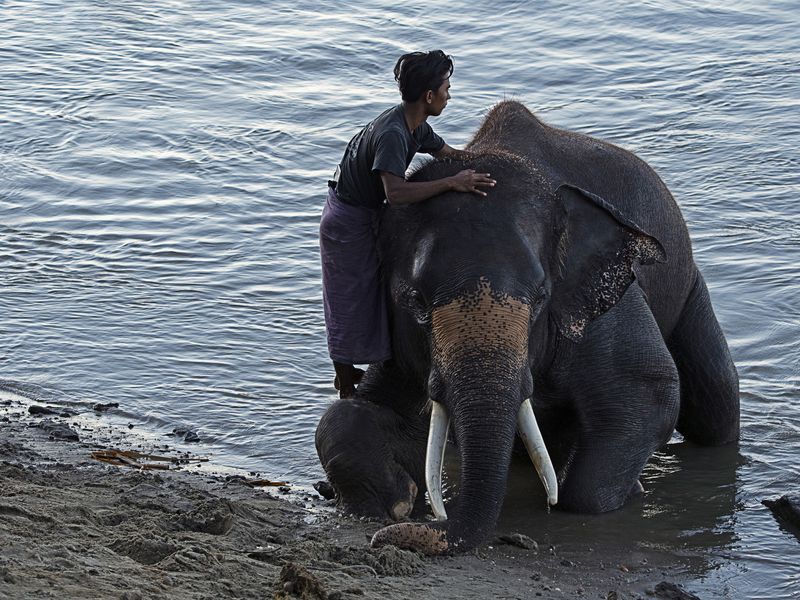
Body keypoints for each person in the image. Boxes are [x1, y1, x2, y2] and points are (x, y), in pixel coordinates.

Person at [320, 50, 496, 398]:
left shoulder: (415, 126)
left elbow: (448, 154)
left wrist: (489, 161)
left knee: (373, 291)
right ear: (429, 96)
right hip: (347, 219)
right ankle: (344, 382)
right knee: (349, 297)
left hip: (366, 213)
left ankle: (356, 370)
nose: (449, 95)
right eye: (447, 88)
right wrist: (452, 183)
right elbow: (397, 193)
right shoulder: (394, 134)